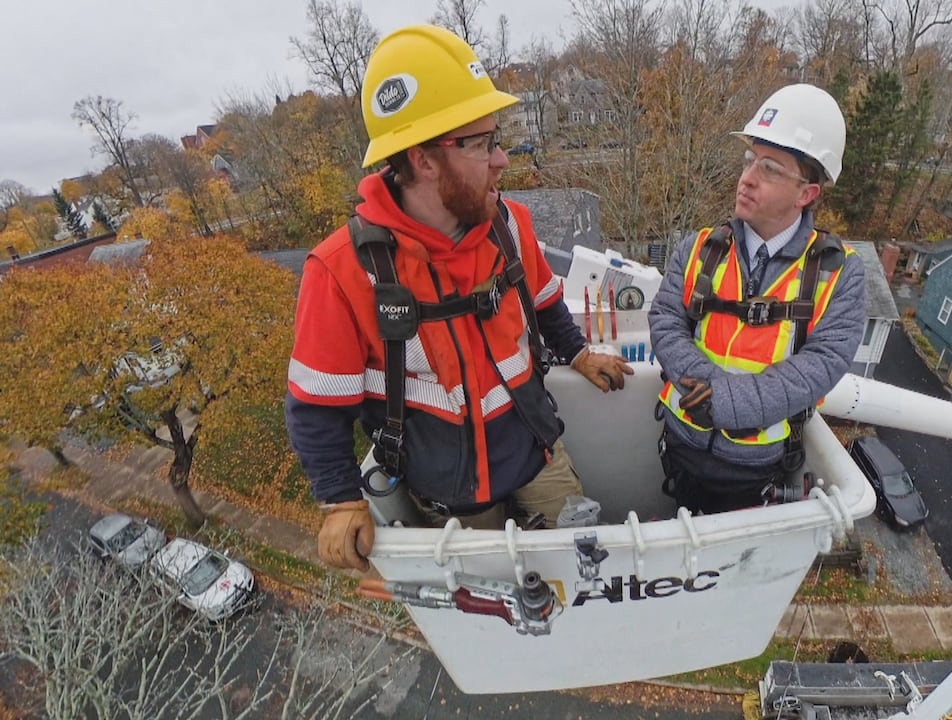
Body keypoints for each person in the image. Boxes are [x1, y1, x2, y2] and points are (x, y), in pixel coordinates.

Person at [285, 24, 632, 571]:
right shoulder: (343, 272)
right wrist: (340, 500)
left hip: (536, 453)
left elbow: (545, 301)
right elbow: (316, 406)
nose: (502, 159)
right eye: (482, 143)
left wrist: (580, 354)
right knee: (496, 598)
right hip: (450, 492)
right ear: (424, 159)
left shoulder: (509, 226)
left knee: (583, 568)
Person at [649, 83, 867, 514]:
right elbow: (666, 320)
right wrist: (706, 390)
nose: (747, 178)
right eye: (749, 160)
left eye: (769, 169)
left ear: (807, 194)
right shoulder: (700, 248)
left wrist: (725, 402)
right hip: (682, 443)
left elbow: (820, 366)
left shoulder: (838, 273)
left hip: (753, 468)